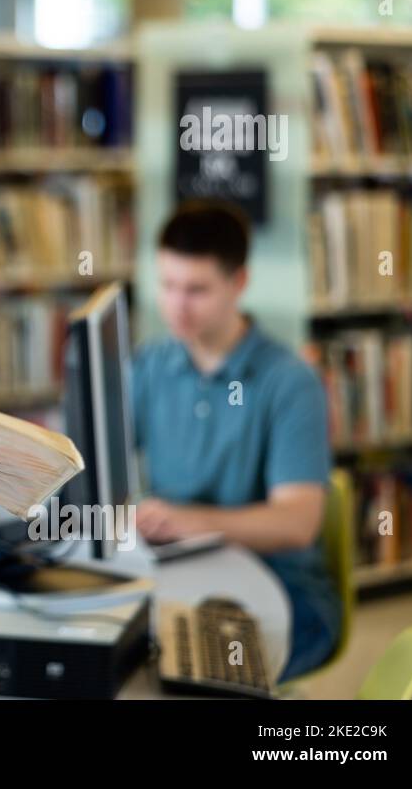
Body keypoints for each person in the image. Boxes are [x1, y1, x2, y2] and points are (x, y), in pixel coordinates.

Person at [131, 200, 341, 683]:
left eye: (197, 290)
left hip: (285, 588)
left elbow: (298, 522)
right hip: (180, 573)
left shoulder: (290, 381)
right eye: (167, 285)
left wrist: (190, 522)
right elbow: (88, 458)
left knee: (185, 678)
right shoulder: (151, 364)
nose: (176, 306)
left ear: (239, 283)